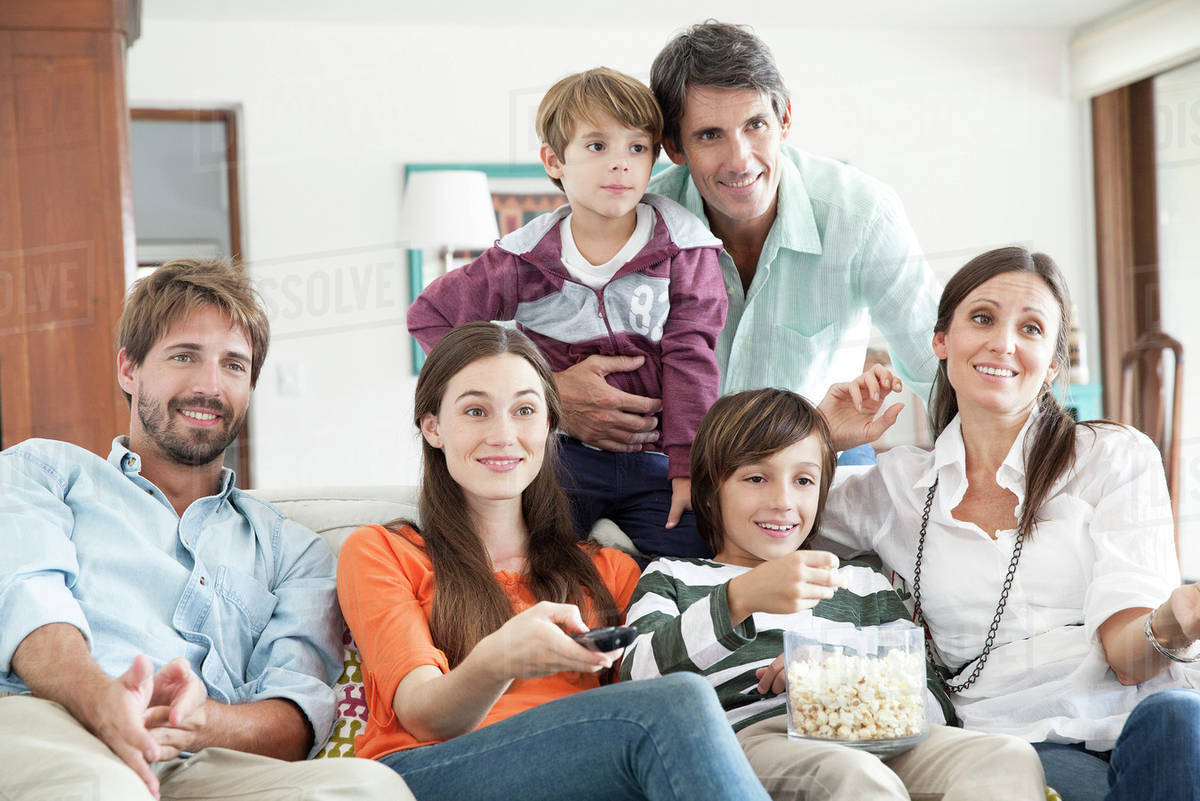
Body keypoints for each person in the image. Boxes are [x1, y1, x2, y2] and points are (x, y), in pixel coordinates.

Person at [0, 258, 411, 800]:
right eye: (184, 356)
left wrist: (202, 721)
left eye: (234, 365)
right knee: (105, 790)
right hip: (55, 729)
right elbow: (27, 600)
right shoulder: (43, 473)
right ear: (129, 369)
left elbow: (296, 714)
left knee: (368, 789)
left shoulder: (293, 553)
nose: (209, 386)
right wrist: (103, 698)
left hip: (198, 764)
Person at [814, 246, 1200, 801]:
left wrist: (1176, 620)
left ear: (1051, 365)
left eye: (1032, 328)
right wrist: (824, 440)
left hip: (1144, 718)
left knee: (1181, 718)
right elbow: (765, 521)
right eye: (983, 318)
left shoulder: (1113, 456)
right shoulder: (897, 487)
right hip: (1015, 741)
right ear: (941, 341)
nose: (1004, 343)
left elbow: (1128, 659)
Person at [337, 321, 771, 801]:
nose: (503, 435)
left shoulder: (610, 570)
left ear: (548, 426)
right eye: (476, 411)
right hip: (427, 772)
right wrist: (501, 659)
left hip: (584, 775)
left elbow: (672, 681)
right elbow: (422, 714)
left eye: (524, 410)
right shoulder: (384, 551)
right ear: (433, 427)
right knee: (679, 702)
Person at [621, 386, 1045, 800]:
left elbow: (933, 700)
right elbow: (637, 679)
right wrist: (739, 598)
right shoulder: (674, 576)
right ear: (711, 489)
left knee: (1006, 756)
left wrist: (836, 680)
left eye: (803, 480)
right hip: (751, 739)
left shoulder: (861, 582)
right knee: (851, 775)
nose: (784, 501)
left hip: (878, 733)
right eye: (756, 477)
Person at [554, 21, 941, 466]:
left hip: (817, 451)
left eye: (755, 124)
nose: (740, 160)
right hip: (677, 465)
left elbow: (938, 370)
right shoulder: (632, 220)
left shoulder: (863, 215)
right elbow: (499, 345)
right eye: (709, 135)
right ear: (675, 147)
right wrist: (552, 390)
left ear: (785, 120)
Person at [408, 67, 726, 561]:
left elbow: (693, 356)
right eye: (597, 147)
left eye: (637, 148)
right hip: (560, 458)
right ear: (555, 161)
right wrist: (542, 386)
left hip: (660, 462)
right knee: (528, 562)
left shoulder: (685, 250)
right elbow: (430, 316)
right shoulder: (522, 259)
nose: (620, 164)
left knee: (694, 557)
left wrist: (689, 467)